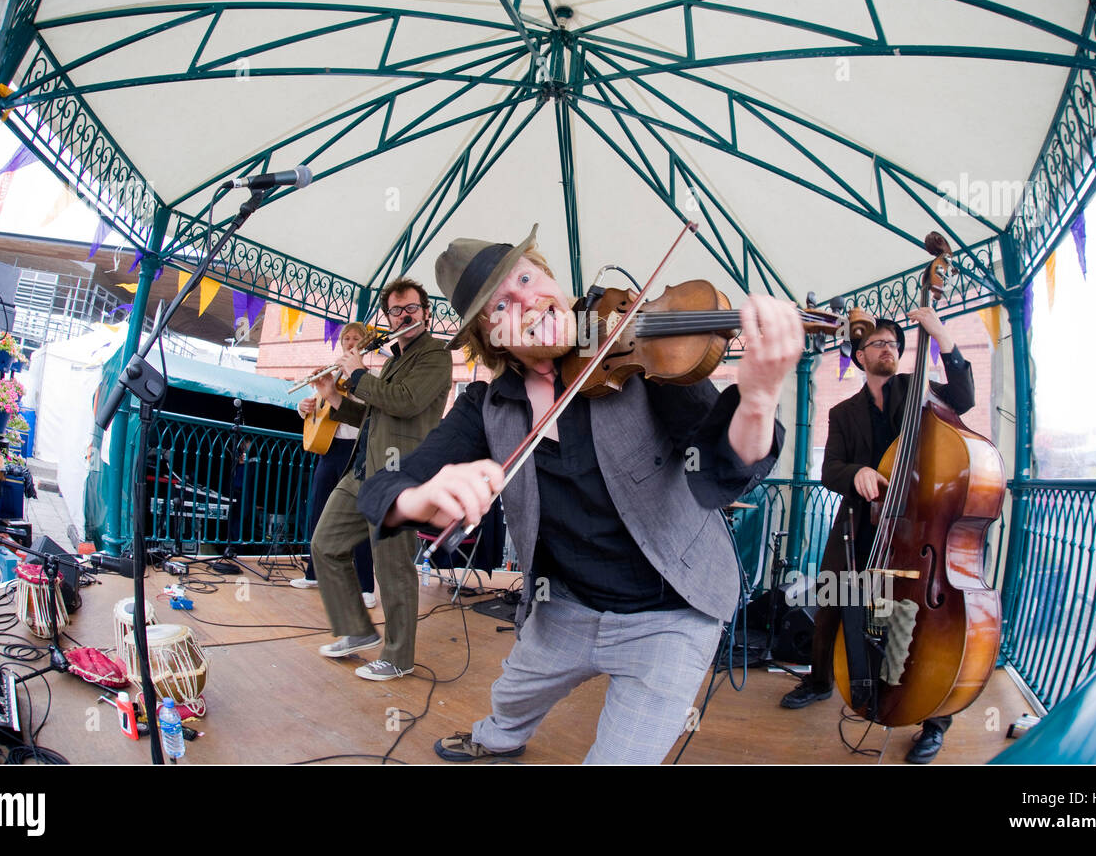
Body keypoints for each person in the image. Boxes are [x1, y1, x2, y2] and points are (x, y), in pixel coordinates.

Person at [356, 224, 805, 764]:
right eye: (501, 307)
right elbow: (386, 484)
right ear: (490, 338)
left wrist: (756, 398)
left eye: (528, 277)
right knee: (512, 697)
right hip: (562, 606)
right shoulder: (489, 406)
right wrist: (419, 498)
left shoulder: (642, 359)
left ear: (549, 274)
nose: (527, 300)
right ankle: (497, 737)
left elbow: (724, 468)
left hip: (670, 613)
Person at [779, 310, 975, 765]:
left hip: (916, 530)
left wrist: (941, 335)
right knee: (831, 600)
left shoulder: (919, 393)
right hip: (859, 526)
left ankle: (933, 720)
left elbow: (963, 396)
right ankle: (821, 681)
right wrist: (859, 472)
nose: (888, 348)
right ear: (860, 355)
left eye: (894, 343)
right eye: (878, 343)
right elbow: (829, 472)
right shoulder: (841, 413)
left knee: (919, 617)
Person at [309, 279, 452, 681]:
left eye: (411, 308)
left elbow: (406, 402)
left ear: (425, 312)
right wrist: (335, 399)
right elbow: (375, 416)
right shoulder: (390, 360)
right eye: (395, 311)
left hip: (400, 476)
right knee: (325, 545)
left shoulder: (437, 356)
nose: (403, 316)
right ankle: (355, 629)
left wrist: (355, 376)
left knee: (392, 567)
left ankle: (398, 657)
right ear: (387, 317)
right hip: (363, 469)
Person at [292, 322, 376, 610]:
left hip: (356, 451)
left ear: (365, 344)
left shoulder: (369, 376)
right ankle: (314, 574)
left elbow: (366, 411)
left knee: (358, 516)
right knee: (318, 510)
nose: (350, 342)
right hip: (330, 449)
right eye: (346, 337)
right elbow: (318, 405)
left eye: (356, 338)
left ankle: (366, 586)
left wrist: (347, 385)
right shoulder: (331, 372)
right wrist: (304, 407)